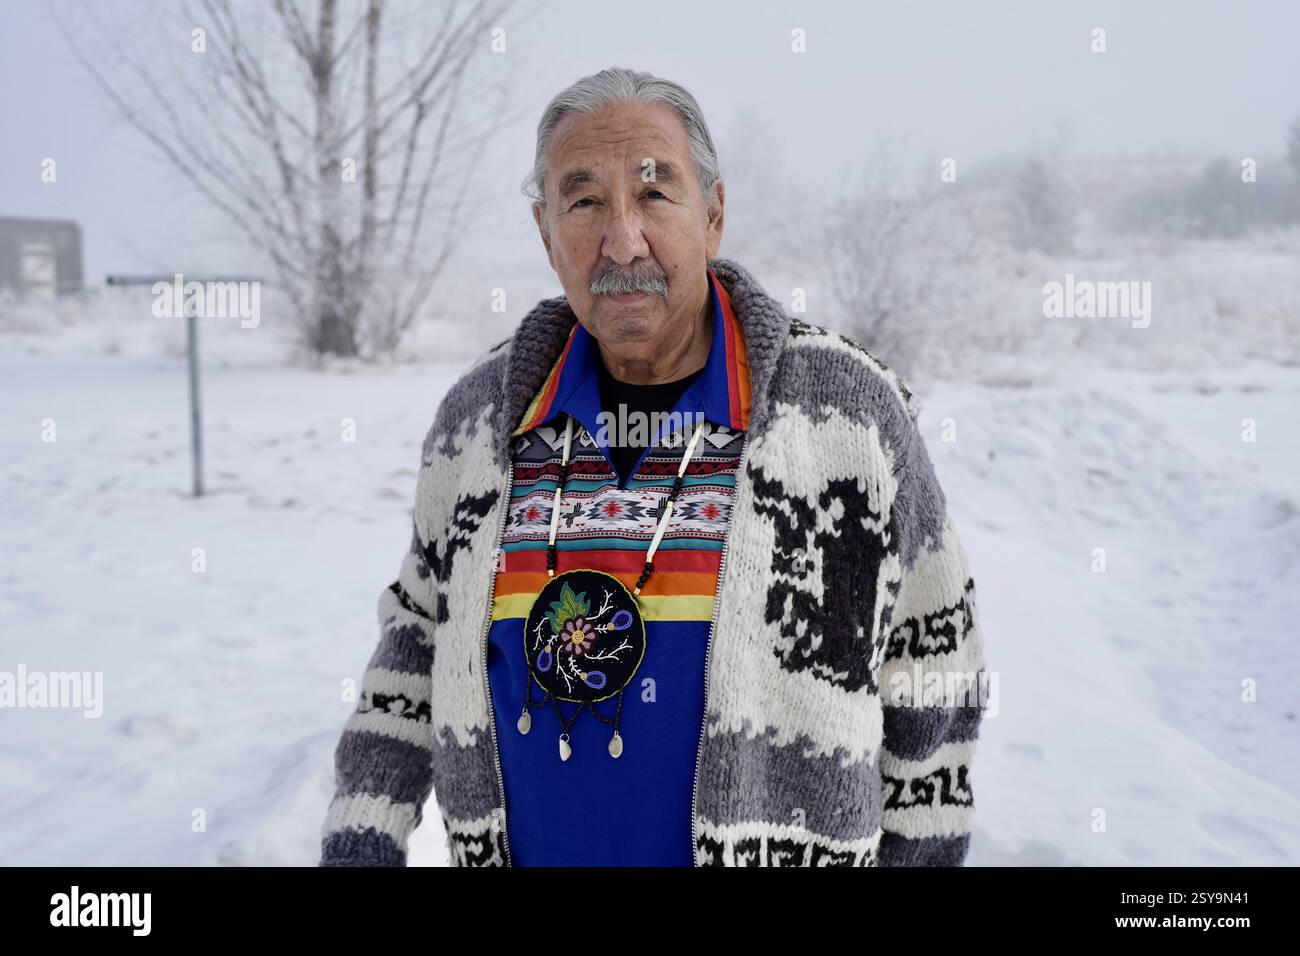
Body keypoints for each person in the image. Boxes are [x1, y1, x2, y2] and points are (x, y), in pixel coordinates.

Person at [319, 67, 987, 867]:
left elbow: (935, 670)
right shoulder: (479, 428)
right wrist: (360, 842)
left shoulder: (846, 418)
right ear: (546, 233)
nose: (622, 240)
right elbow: (414, 648)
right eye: (584, 201)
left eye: (654, 194)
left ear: (713, 214)